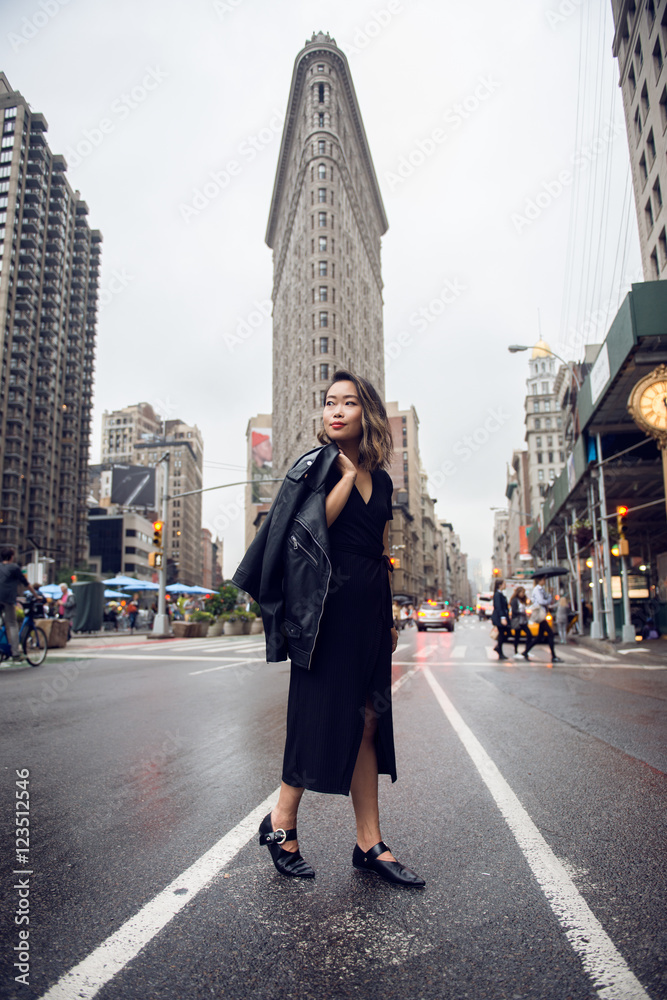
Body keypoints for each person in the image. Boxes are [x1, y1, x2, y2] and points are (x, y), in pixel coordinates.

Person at [233, 370, 424, 888]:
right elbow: (306, 532)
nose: (336, 410)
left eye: (348, 402)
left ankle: (370, 842)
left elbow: (381, 551)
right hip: (325, 609)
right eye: (329, 402)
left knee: (367, 721)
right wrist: (341, 477)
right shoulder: (313, 466)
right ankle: (281, 824)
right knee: (317, 715)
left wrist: (387, 619)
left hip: (367, 607)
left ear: (367, 413)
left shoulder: (383, 480)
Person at [0, 548, 40, 662]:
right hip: (7, 599)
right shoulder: (14, 568)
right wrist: (36, 596)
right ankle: (15, 653)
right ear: (11, 557)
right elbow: (26, 583)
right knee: (12, 624)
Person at [530, 576, 561, 662]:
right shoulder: (537, 589)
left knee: (539, 637)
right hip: (541, 614)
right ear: (539, 580)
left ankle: (525, 651)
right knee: (550, 634)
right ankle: (553, 656)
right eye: (543, 580)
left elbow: (547, 600)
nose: (544, 581)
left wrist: (550, 594)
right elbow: (541, 601)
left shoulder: (542, 590)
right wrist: (547, 601)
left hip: (543, 614)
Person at [509, 586, 533, 660]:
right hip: (517, 621)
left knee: (529, 635)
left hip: (523, 621)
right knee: (517, 637)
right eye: (522, 592)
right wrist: (523, 613)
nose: (523, 594)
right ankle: (516, 652)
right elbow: (514, 611)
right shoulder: (514, 600)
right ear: (518, 593)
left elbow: (529, 604)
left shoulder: (523, 600)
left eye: (523, 592)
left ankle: (526, 650)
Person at [491, 577, 510, 660]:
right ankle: (500, 652)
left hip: (502, 617)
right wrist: (502, 618)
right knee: (502, 634)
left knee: (504, 634)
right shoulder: (497, 594)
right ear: (500, 585)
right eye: (504, 583)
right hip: (499, 618)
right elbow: (498, 607)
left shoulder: (500, 594)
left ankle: (498, 648)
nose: (505, 585)